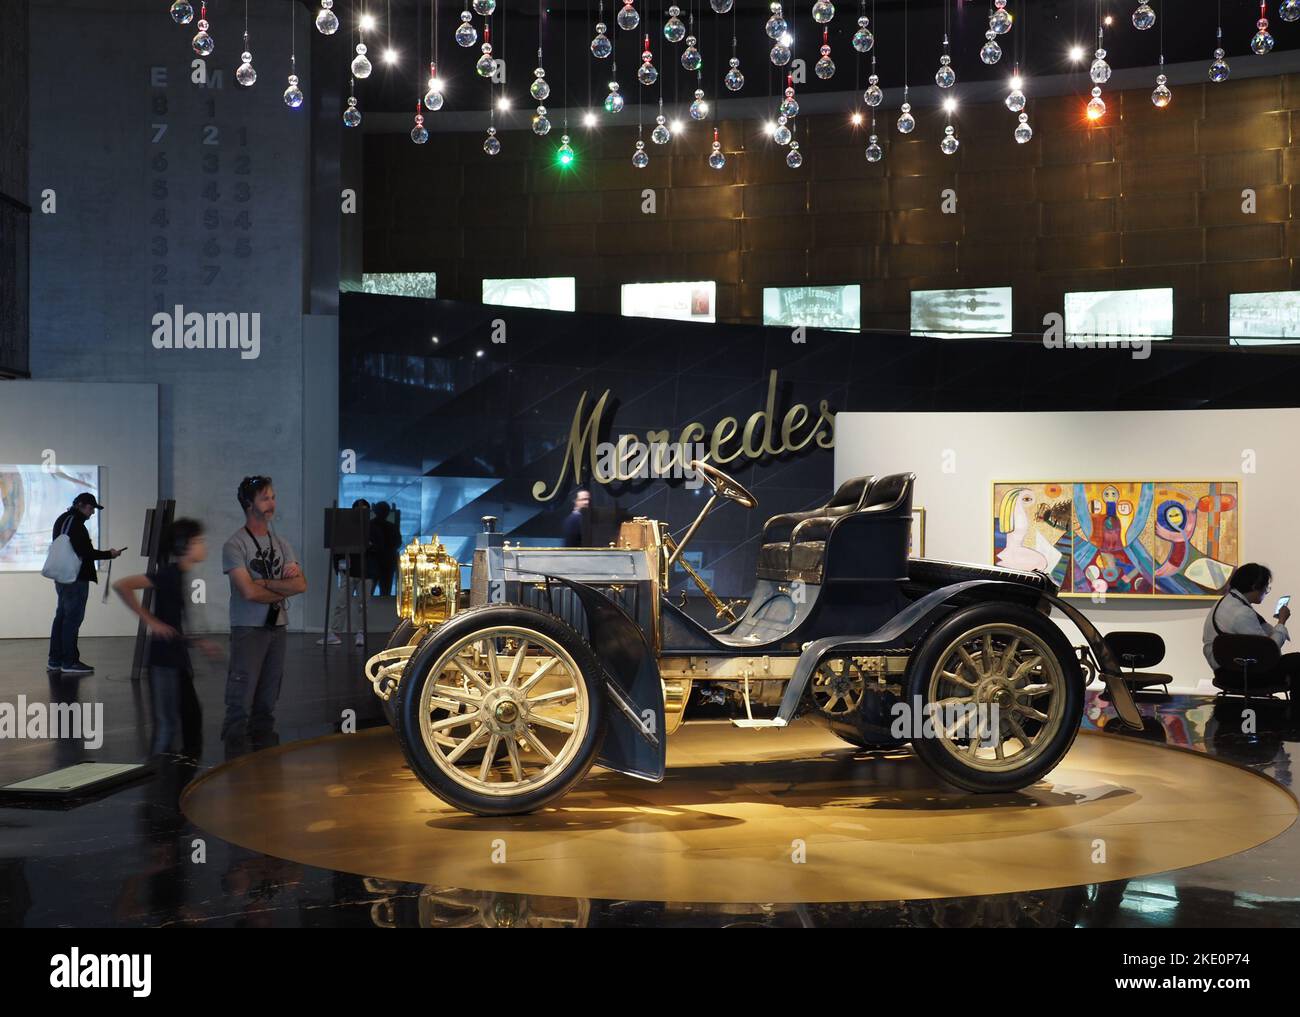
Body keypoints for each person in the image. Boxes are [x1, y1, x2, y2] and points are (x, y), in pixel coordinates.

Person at [113, 519, 219, 758]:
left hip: (177, 660)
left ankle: (176, 776)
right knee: (168, 725)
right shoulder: (169, 574)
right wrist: (151, 621)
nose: (204, 546)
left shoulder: (181, 576)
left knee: (189, 717)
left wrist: (199, 642)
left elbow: (174, 621)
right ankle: (158, 780)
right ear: (183, 546)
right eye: (199, 542)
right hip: (164, 662)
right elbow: (122, 585)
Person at [221, 476, 306, 750]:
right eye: (265, 498)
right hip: (248, 628)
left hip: (277, 627)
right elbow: (249, 593)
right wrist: (284, 588)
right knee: (241, 698)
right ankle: (234, 758)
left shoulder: (281, 543)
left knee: (268, 698)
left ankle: (264, 763)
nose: (272, 503)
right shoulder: (234, 545)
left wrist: (268, 583)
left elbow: (301, 585)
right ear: (249, 504)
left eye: (273, 497)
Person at [48, 492, 122, 675]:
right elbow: (84, 552)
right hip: (76, 578)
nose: (92, 513)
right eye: (91, 508)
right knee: (72, 620)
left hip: (63, 577)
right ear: (80, 505)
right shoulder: (75, 523)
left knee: (62, 618)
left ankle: (55, 660)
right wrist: (108, 554)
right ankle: (69, 662)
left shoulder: (63, 519)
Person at [1202, 562, 1300, 692]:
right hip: (1238, 674)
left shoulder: (1229, 601)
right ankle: (1294, 711)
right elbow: (1269, 651)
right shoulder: (1241, 613)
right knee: (1297, 662)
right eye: (1266, 588)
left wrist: (1276, 627)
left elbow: (1261, 636)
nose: (1266, 592)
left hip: (1227, 669)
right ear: (1255, 586)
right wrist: (1282, 622)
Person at [320, 498, 370, 647]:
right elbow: (337, 547)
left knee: (363, 605)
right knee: (342, 603)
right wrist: (339, 567)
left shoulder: (370, 528)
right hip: (348, 571)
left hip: (365, 571)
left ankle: (360, 633)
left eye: (364, 510)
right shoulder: (345, 526)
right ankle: (335, 633)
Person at [371, 502, 401, 597]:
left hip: (373, 562)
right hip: (387, 563)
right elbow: (398, 543)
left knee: (368, 593)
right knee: (385, 593)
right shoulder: (392, 527)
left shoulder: (369, 525)